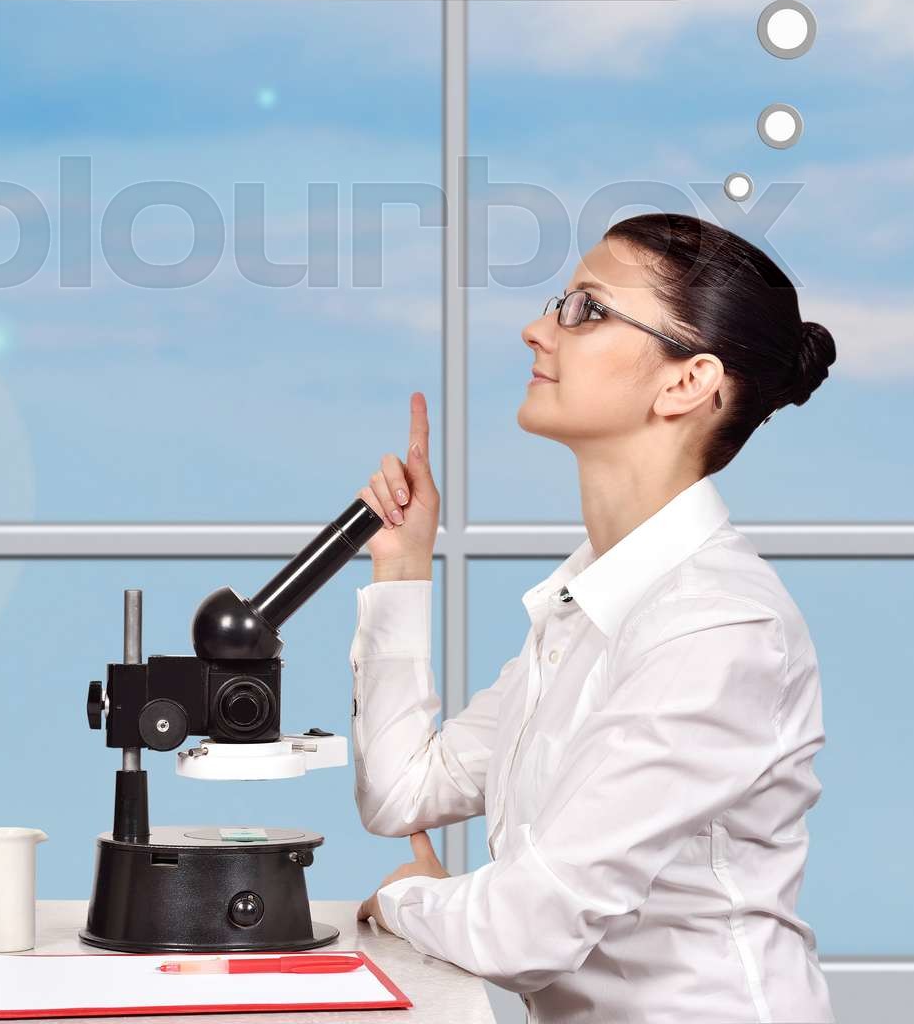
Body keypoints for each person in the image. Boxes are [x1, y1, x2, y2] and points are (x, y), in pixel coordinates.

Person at [351, 212, 838, 1024]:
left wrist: (410, 902)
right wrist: (402, 571)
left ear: (687, 382)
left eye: (586, 310)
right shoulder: (591, 606)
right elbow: (403, 793)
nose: (537, 329)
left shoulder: (715, 629)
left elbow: (524, 930)